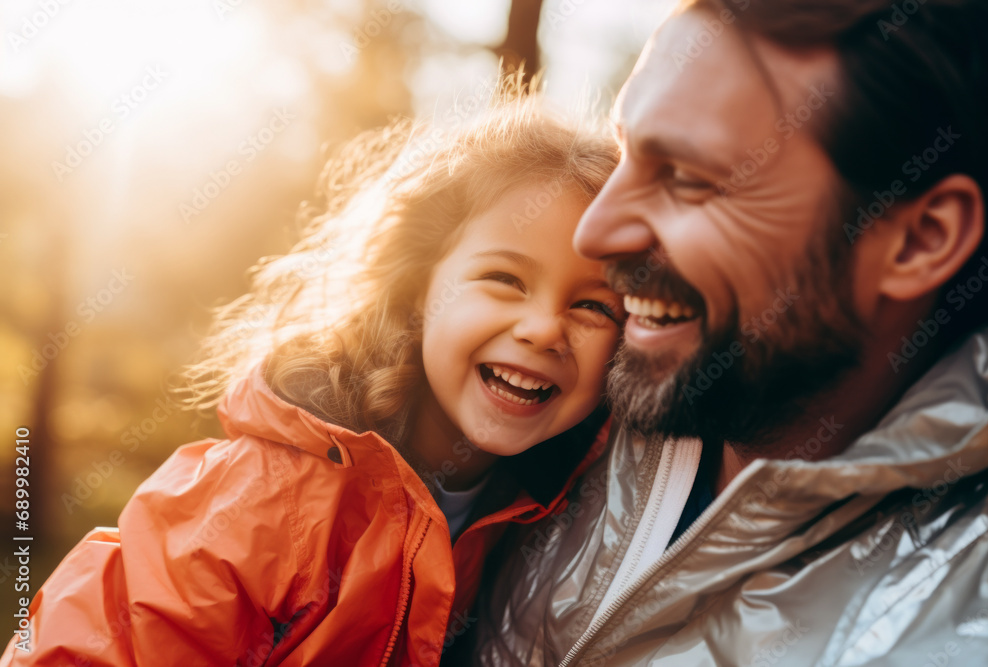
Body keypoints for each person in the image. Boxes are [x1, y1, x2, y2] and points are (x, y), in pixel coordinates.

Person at [0, 85, 625, 666]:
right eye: (504, 280)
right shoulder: (272, 497)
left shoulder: (558, 511)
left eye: (594, 305)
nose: (544, 328)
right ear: (415, 289)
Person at [472, 1, 988, 665]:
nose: (596, 233)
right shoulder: (560, 399)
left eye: (689, 178)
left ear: (921, 241)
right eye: (624, 152)